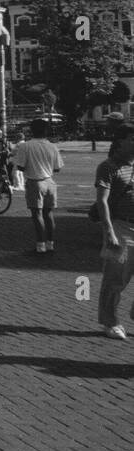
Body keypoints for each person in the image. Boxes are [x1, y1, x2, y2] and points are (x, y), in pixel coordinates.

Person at [95, 126, 134, 340]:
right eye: (132, 138)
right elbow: (102, 201)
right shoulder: (108, 167)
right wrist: (109, 231)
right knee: (116, 278)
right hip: (120, 227)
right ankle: (110, 321)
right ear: (120, 142)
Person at [13, 118, 64, 254]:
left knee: (37, 215)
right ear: (46, 131)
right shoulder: (52, 146)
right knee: (49, 214)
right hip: (49, 181)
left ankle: (40, 245)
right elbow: (58, 168)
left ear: (31, 130)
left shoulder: (26, 146)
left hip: (34, 181)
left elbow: (20, 167)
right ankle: (50, 244)